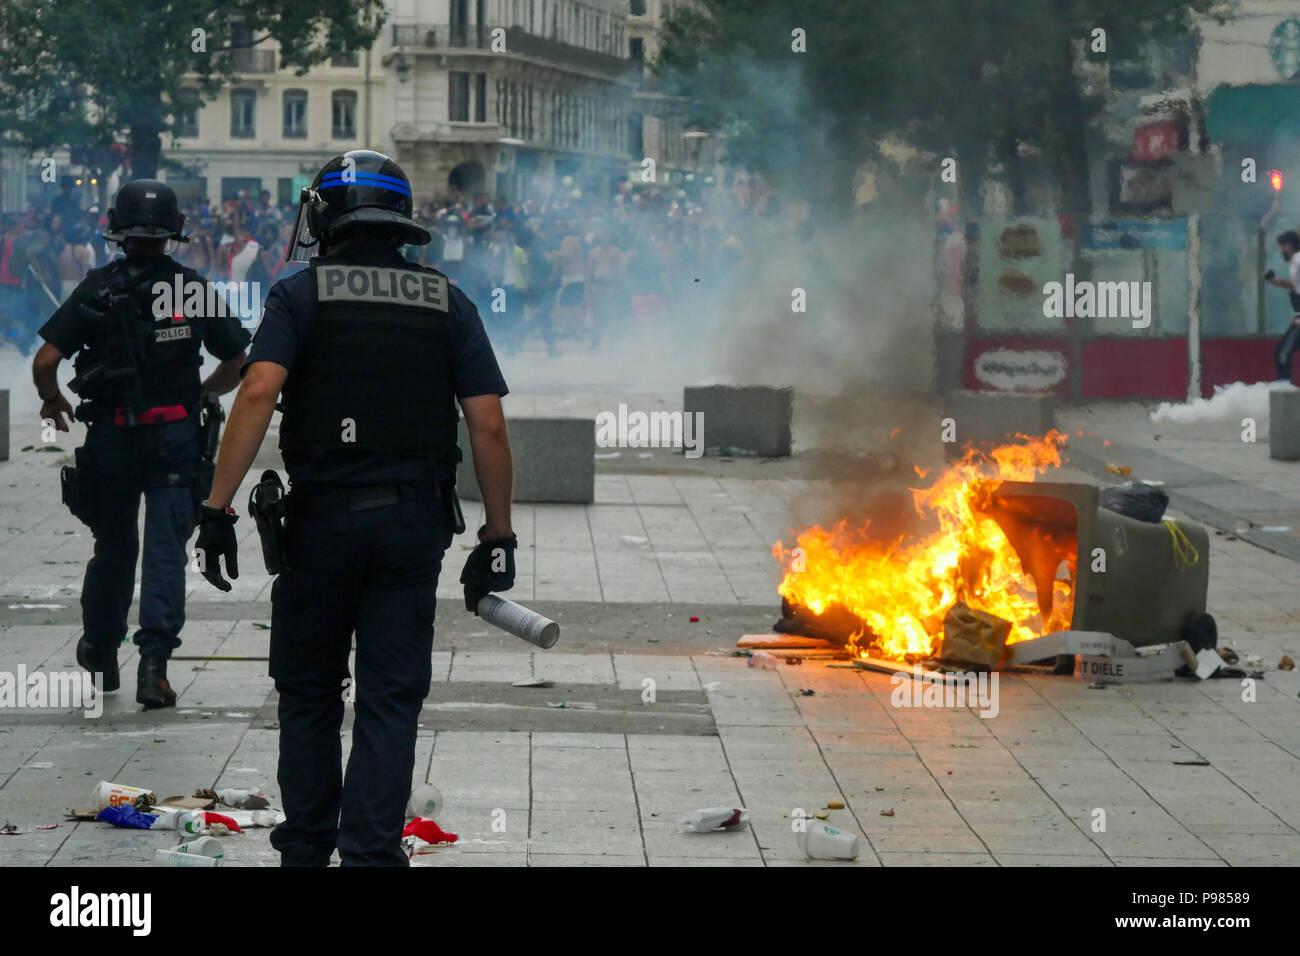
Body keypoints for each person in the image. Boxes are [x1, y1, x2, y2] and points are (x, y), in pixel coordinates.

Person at [192, 149, 517, 867]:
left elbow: (255, 391)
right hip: (411, 527)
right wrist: (499, 535)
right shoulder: (447, 300)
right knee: (389, 700)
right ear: (401, 221)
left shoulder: (297, 293)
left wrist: (215, 509)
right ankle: (370, 854)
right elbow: (487, 424)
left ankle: (307, 847)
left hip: (320, 526)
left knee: (309, 692)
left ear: (325, 216)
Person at [30, 180, 250, 707]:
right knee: (164, 555)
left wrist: (52, 401)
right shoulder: (193, 288)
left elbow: (44, 362)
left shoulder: (96, 287)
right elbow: (239, 360)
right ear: (174, 232)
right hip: (175, 436)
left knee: (114, 550)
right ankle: (154, 670)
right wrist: (203, 391)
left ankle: (101, 651)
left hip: (112, 439)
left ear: (117, 231)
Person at [1264, 230, 1300, 381]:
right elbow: (1294, 285)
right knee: (1282, 353)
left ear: (1289, 245)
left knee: (1283, 354)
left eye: (1282, 246)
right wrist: (1274, 280)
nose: (1281, 251)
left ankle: (1283, 392)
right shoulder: (1295, 263)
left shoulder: (1298, 261)